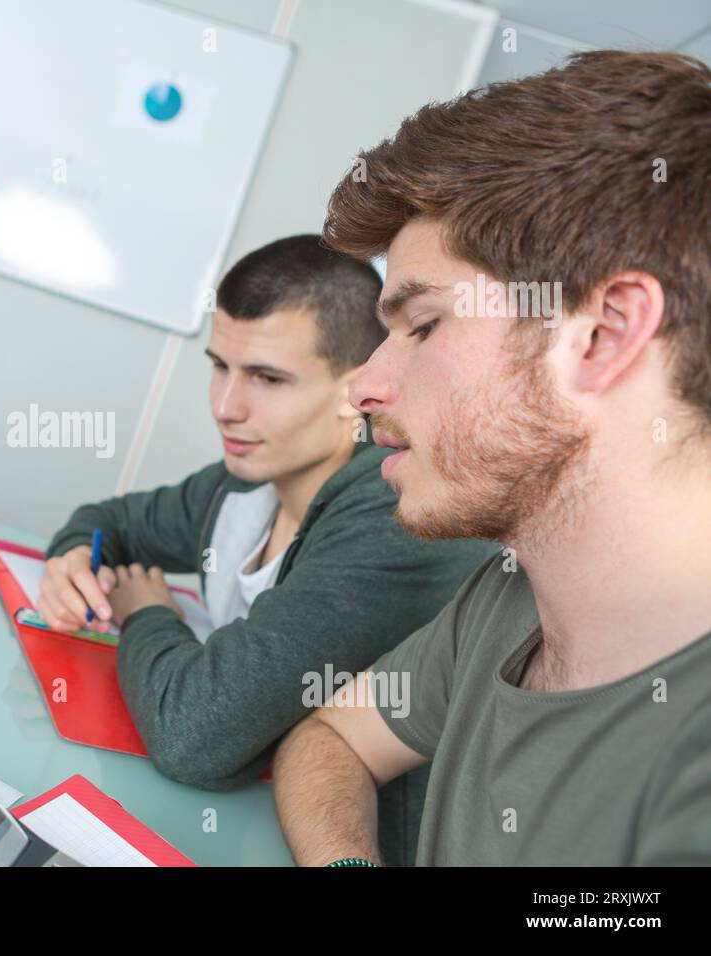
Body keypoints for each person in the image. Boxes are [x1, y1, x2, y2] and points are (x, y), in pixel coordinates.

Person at [272, 51, 711, 866]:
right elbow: (332, 738)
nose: (363, 388)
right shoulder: (513, 599)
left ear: (604, 336)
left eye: (425, 326)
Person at [37, 235, 495, 866]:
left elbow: (195, 736)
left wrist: (147, 610)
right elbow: (108, 521)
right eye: (220, 367)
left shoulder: (392, 520)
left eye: (267, 378)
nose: (226, 407)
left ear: (356, 389)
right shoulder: (243, 482)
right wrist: (73, 556)